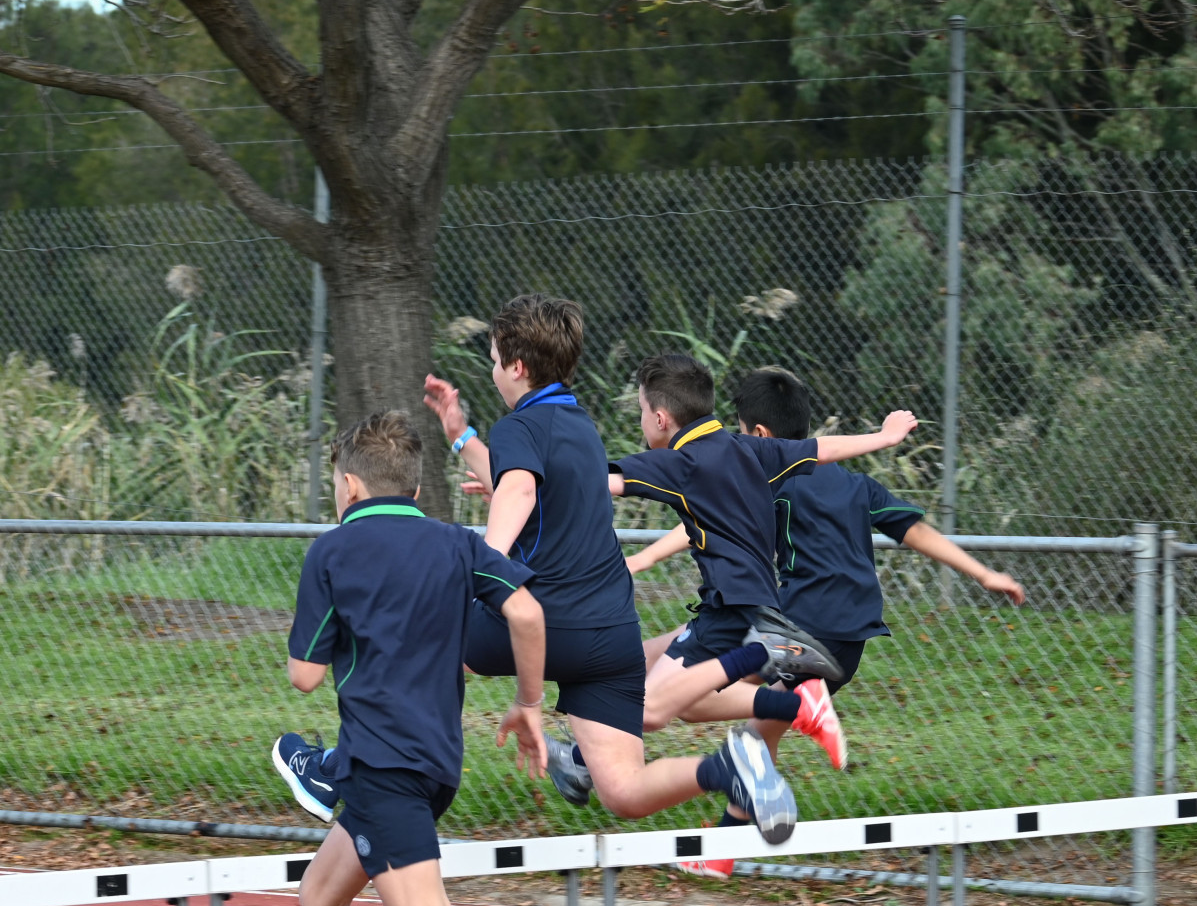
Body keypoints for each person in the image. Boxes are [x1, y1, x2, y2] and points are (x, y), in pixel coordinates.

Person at [241, 412, 583, 906]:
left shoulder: (333, 553)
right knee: (321, 896)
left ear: (350, 485)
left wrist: (341, 638)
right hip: (432, 761)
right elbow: (526, 611)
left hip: (383, 761)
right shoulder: (459, 545)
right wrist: (529, 704)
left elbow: (303, 675)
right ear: (418, 487)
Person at [415, 294, 808, 843]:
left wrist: (484, 561)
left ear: (516, 366)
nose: (494, 370)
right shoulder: (579, 426)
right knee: (623, 789)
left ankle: (349, 771)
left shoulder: (518, 427)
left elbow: (521, 485)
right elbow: (519, 476)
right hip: (609, 633)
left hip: (546, 620)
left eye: (494, 359)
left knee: (418, 644)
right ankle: (729, 769)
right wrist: (458, 431)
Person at [631, 366, 1026, 860]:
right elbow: (913, 530)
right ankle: (724, 850)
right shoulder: (855, 485)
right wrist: (983, 574)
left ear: (758, 435)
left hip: (798, 629)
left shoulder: (767, 476)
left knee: (688, 696)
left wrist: (645, 557)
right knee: (754, 736)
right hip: (847, 642)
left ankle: (599, 760)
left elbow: (709, 509)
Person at [605, 353, 919, 840]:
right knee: (659, 683)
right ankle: (585, 758)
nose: (644, 421)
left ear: (661, 418)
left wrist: (516, 483)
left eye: (643, 412)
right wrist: (883, 437)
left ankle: (791, 701)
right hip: (751, 605)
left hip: (729, 611)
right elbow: (818, 449)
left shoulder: (680, 463)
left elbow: (603, 482)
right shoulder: (746, 450)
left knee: (649, 707)